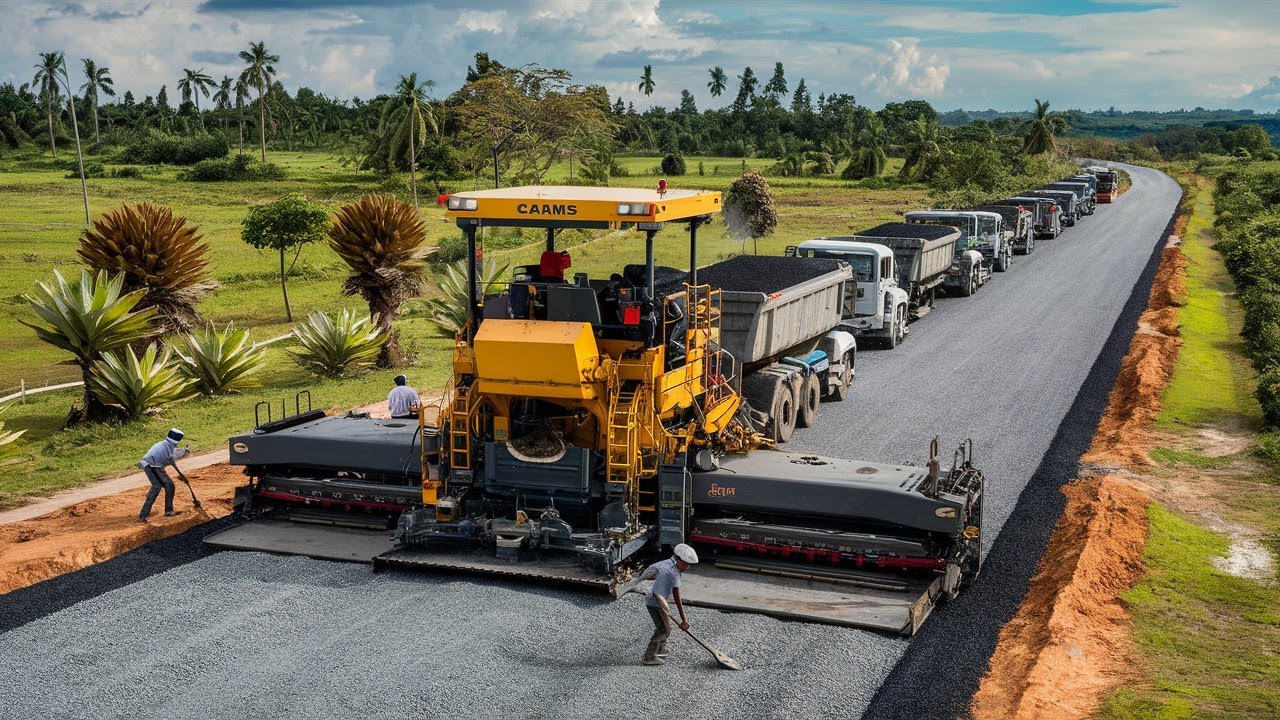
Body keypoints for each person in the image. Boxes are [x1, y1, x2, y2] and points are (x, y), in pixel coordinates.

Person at [639, 543, 699, 666]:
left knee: (663, 626)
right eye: (686, 564)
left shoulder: (665, 563)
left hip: (652, 599)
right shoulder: (673, 573)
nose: (687, 567)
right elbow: (677, 598)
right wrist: (683, 620)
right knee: (665, 630)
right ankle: (649, 657)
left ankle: (660, 651)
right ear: (679, 560)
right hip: (656, 602)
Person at [138, 428, 190, 523]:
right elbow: (172, 461)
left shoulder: (165, 444)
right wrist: (182, 476)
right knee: (157, 487)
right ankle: (143, 515)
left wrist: (183, 450)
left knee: (169, 486)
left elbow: (173, 453)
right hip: (152, 467)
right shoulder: (167, 449)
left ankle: (168, 511)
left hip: (155, 466)